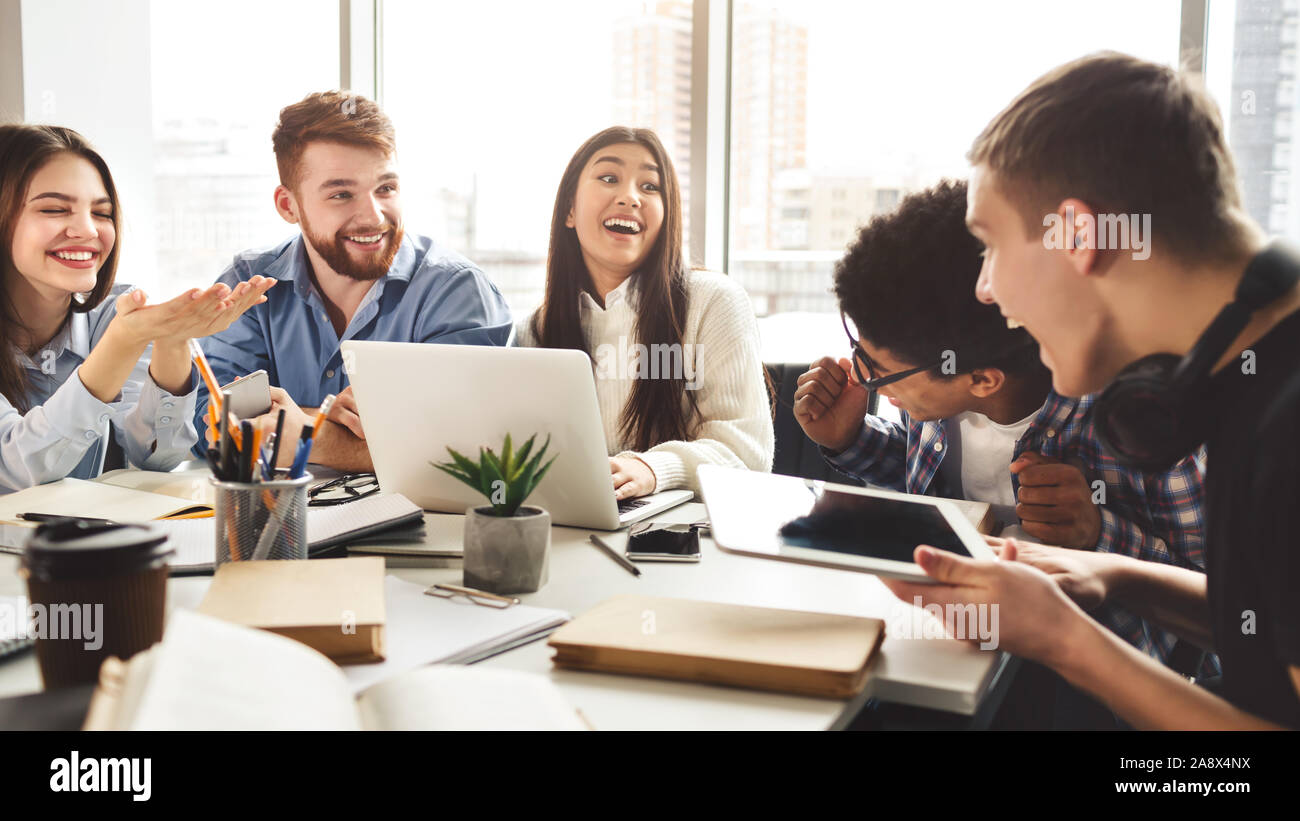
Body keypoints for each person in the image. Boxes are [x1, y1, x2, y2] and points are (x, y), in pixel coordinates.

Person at [885, 52, 1300, 729]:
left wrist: (1063, 637)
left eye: (988, 244)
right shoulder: (1254, 363)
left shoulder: (1286, 423)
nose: (985, 288)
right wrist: (1111, 575)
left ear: (1078, 235)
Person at [793, 179, 1209, 675]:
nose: (858, 375)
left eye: (877, 368)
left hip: (1095, 682)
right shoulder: (942, 377)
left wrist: (1098, 534)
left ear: (984, 380)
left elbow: (1214, 603)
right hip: (953, 645)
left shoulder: (1150, 421)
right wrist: (851, 438)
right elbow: (933, 484)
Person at [193, 91, 513, 471]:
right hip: (279, 520)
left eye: (386, 189)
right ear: (288, 206)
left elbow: (471, 447)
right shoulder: (250, 284)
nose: (373, 216)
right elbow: (208, 425)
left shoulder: (457, 293)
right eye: (342, 194)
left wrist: (313, 438)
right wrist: (327, 420)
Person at [0, 124, 273, 493]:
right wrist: (122, 343)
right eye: (53, 209)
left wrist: (173, 340)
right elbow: (18, 470)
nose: (87, 229)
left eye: (102, 212)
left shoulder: (115, 314)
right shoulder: (122, 330)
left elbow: (158, 457)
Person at [514, 126, 772, 499]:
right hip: (572, 532)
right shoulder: (535, 331)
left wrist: (654, 468)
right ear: (569, 209)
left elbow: (747, 454)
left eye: (650, 187)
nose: (630, 197)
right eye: (608, 178)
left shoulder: (714, 302)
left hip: (685, 539)